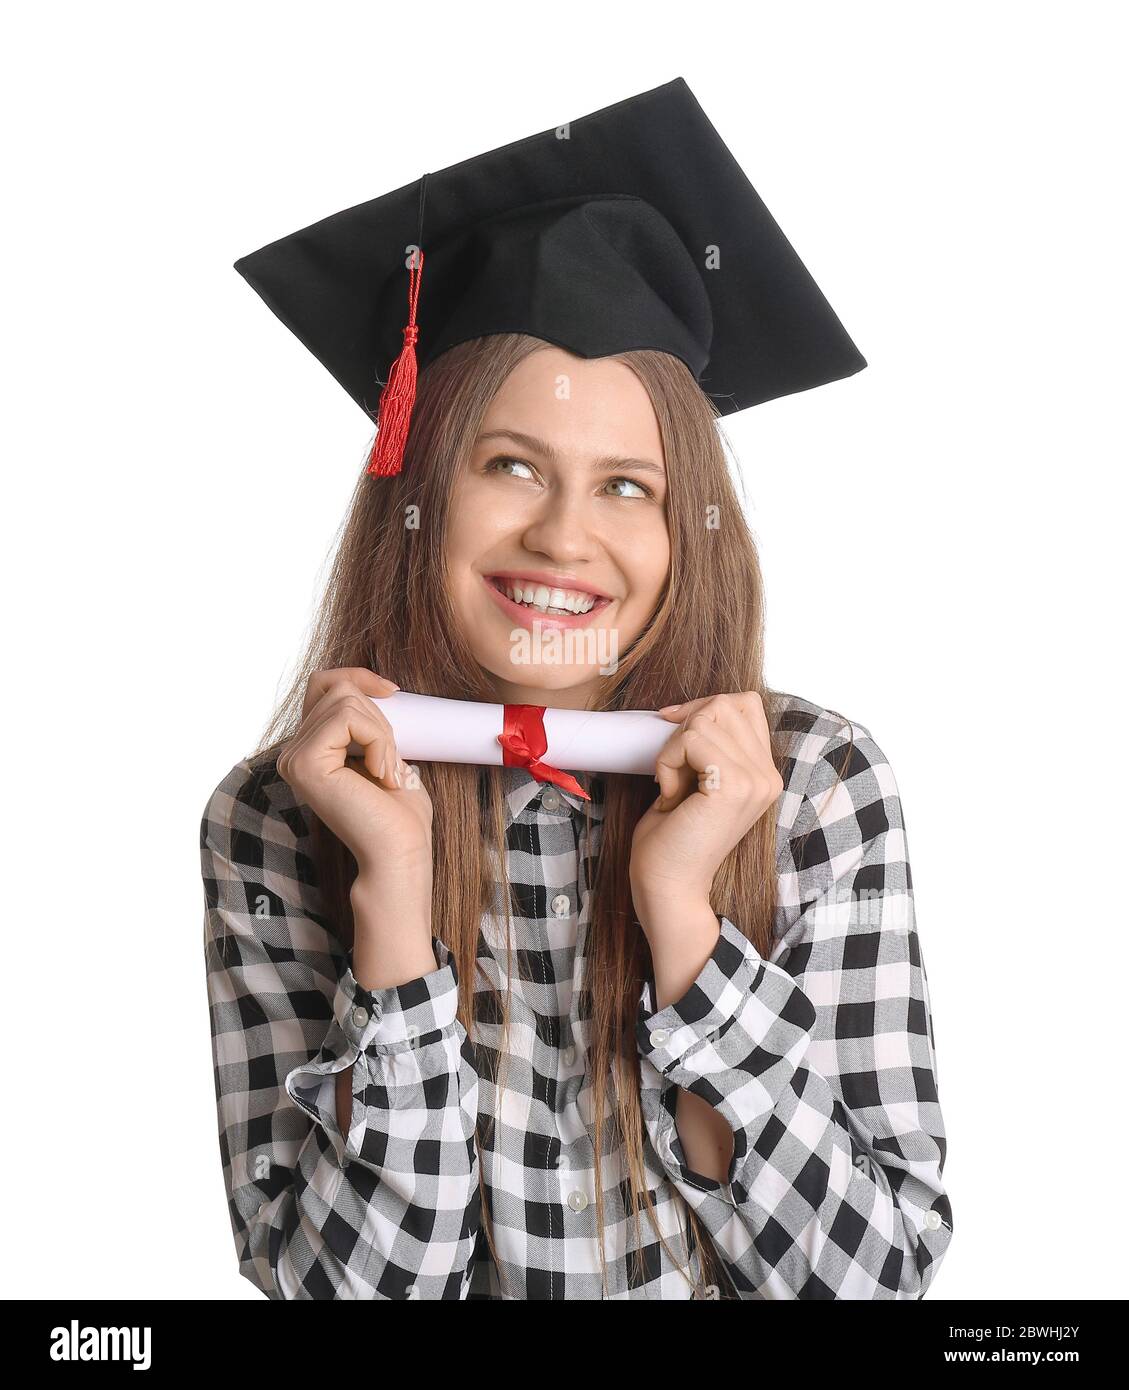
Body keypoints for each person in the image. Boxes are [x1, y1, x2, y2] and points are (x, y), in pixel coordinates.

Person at [200, 78, 952, 1300]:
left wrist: (686, 914)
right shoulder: (280, 818)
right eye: (508, 465)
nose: (562, 537)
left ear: (685, 530)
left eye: (626, 486)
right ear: (420, 489)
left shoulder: (816, 787)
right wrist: (392, 915)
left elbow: (867, 1285)